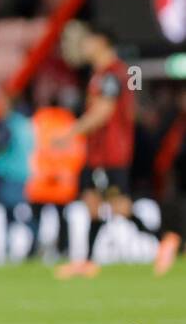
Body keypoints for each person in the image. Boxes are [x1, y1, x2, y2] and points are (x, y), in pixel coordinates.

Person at [55, 24, 160, 278]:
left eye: (88, 41)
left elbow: (103, 112)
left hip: (110, 153)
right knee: (92, 203)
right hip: (97, 152)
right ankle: (87, 262)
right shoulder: (101, 74)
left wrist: (70, 133)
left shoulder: (112, 74)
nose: (83, 47)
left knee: (120, 207)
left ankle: (167, 239)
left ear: (101, 42)